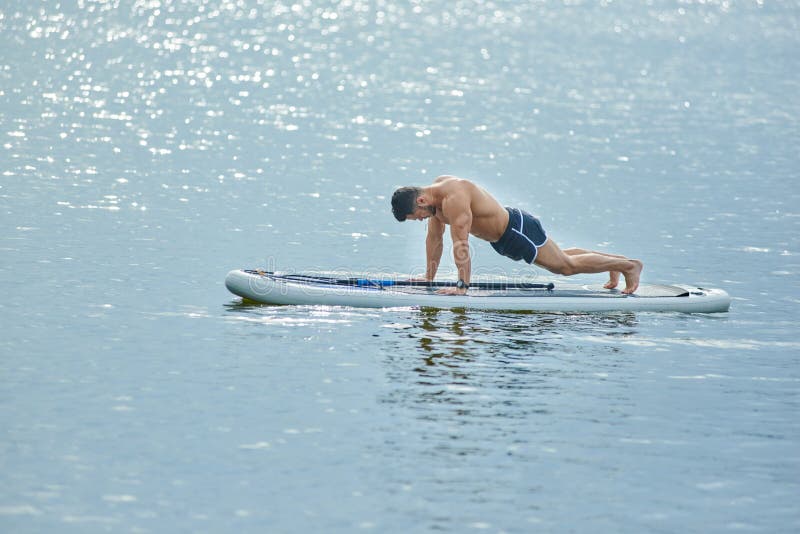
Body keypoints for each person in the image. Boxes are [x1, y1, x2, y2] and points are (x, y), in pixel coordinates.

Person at [391, 175, 643, 295]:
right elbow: (434, 240)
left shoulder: (453, 198)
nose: (421, 220)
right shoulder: (435, 203)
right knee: (563, 257)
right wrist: (428, 278)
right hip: (505, 237)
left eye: (417, 216)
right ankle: (614, 262)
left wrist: (461, 287)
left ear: (421, 200)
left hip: (516, 231)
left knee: (564, 267)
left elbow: (461, 245)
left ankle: (628, 266)